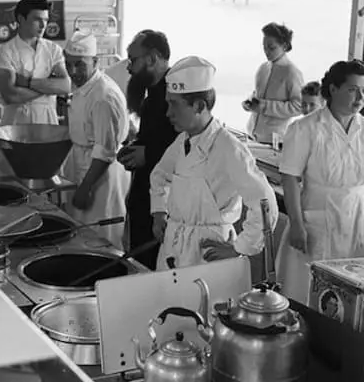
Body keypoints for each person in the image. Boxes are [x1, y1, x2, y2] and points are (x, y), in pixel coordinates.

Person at [276, 60, 364, 305]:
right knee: (306, 291)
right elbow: (290, 179)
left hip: (355, 218)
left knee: (345, 297)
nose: (360, 96)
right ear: (333, 89)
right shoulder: (306, 129)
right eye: (352, 89)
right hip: (315, 218)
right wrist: (296, 224)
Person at [149, 56, 278, 270]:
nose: (168, 113)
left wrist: (240, 247)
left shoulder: (229, 148)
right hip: (174, 248)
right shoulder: (183, 140)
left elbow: (265, 204)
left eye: (174, 105)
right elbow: (159, 175)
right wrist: (159, 212)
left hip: (209, 252)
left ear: (199, 106)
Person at [116, 30, 179, 269]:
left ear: (152, 58)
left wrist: (148, 154)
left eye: (133, 60)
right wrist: (135, 148)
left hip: (165, 203)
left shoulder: (173, 94)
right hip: (145, 193)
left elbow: (185, 145)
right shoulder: (153, 93)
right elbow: (157, 137)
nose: (129, 68)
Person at [62, 31, 130, 250]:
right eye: (68, 64)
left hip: (100, 176)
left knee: (101, 238)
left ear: (95, 61)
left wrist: (86, 187)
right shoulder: (84, 87)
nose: (73, 72)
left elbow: (104, 151)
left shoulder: (102, 96)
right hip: (83, 164)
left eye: (80, 65)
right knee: (82, 234)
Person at [0, 0, 71, 125]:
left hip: (47, 122)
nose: (43, 25)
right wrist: (49, 87)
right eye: (37, 19)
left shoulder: (53, 50)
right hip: (16, 123)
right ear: (21, 19)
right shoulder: (5, 52)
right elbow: (11, 96)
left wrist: (26, 82)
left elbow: (66, 86)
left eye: (45, 20)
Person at [244, 23, 304, 144]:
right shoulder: (263, 68)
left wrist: (265, 106)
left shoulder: (292, 73)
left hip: (274, 140)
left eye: (271, 48)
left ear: (285, 46)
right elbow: (258, 94)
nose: (267, 52)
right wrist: (249, 102)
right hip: (251, 136)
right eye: (264, 47)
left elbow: (299, 106)